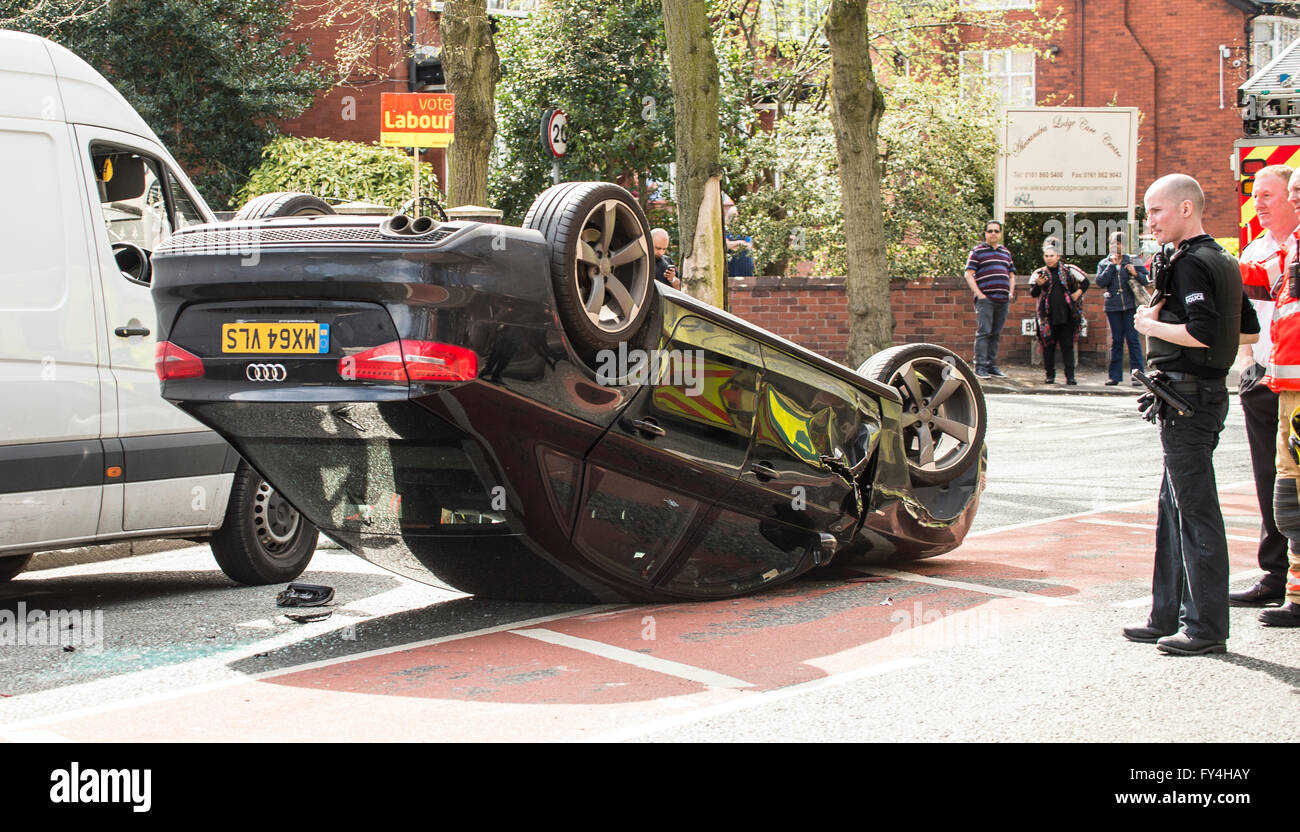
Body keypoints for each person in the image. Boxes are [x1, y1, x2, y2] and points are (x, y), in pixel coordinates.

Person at [1123, 174, 1260, 656]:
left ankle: (1205, 627)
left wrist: (1149, 323)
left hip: (1187, 401)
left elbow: (1202, 332)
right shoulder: (1223, 259)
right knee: (1172, 507)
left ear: (1185, 209)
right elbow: (1245, 329)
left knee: (1195, 510)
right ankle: (1167, 614)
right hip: (1196, 396)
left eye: (1156, 211)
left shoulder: (1190, 263)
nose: (1150, 221)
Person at [1231, 164, 1296, 608]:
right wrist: (1248, 364)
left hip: (1294, 379)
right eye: (1256, 197)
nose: (1260, 204)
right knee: (1270, 478)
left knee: (1291, 477)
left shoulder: (1290, 251)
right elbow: (1246, 318)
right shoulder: (1256, 249)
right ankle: (1276, 574)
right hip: (1266, 376)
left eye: (1268, 196)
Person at [1029, 236, 1089, 385]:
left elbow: (1086, 282)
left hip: (1067, 315)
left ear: (1058, 256)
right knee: (1048, 347)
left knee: (1067, 346)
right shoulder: (1039, 273)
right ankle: (1050, 375)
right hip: (1047, 317)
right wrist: (1039, 285)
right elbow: (1034, 293)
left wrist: (1078, 293)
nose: (1049, 259)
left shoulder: (1069, 270)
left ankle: (1070, 376)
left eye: (1052, 256)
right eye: (1046, 256)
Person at [1095, 231, 1150, 385]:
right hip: (1112, 307)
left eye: (1118, 243)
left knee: (1133, 340)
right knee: (1117, 341)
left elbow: (1146, 280)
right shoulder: (1104, 263)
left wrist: (1135, 273)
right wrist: (1112, 266)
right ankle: (1114, 376)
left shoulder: (1133, 260)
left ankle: (1138, 375)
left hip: (1130, 306)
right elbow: (1100, 282)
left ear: (1124, 245)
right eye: (1112, 243)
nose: (1115, 247)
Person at [964, 220, 1016, 379]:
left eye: (996, 231)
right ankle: (980, 367)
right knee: (984, 332)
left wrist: (1010, 293)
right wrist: (980, 295)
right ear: (985, 233)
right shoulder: (977, 251)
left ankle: (992, 366)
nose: (993, 233)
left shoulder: (1005, 252)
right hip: (986, 300)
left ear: (1000, 233)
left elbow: (1012, 275)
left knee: (995, 333)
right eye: (990, 231)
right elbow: (968, 274)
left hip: (1002, 300)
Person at [724, 206, 755, 278]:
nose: (735, 218)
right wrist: (741, 242)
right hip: (731, 262)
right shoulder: (725, 230)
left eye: (737, 216)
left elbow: (748, 245)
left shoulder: (746, 230)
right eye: (733, 216)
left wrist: (733, 245)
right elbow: (726, 245)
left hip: (745, 261)